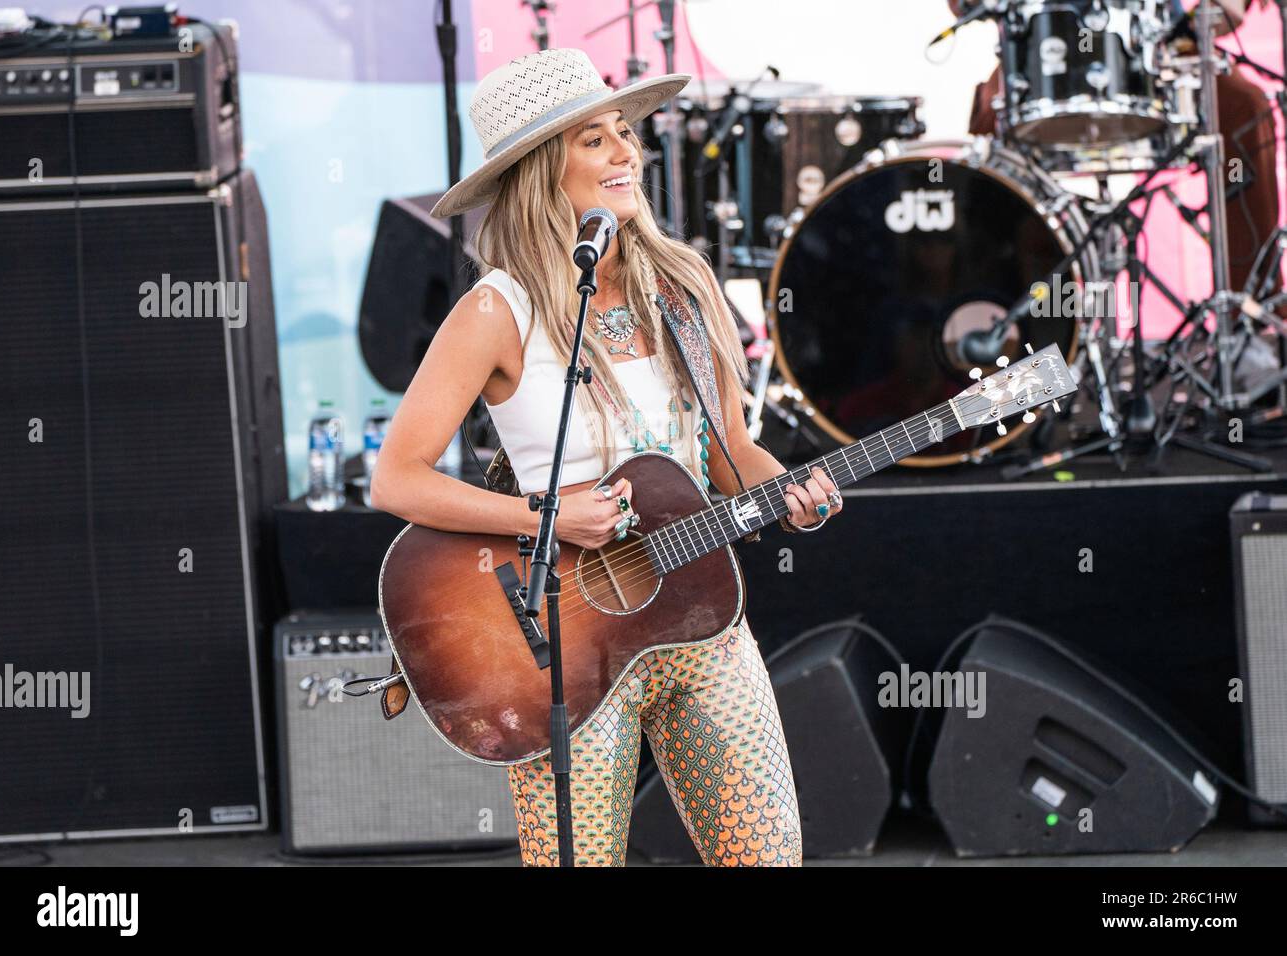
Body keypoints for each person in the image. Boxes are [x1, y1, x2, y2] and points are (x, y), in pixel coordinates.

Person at [369, 48, 845, 867]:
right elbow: (396, 478)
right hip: (562, 646)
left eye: (624, 133)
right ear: (537, 170)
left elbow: (728, 449)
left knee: (769, 858)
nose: (627, 153)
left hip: (702, 626)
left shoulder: (686, 285)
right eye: (593, 140)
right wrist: (545, 517)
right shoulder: (498, 309)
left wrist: (789, 490)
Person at [948, 0, 1279, 293]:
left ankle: (1250, 312)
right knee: (987, 145)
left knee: (1245, 109)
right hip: (1042, 54)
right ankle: (993, 322)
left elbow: (1224, 11)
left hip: (1155, 49)